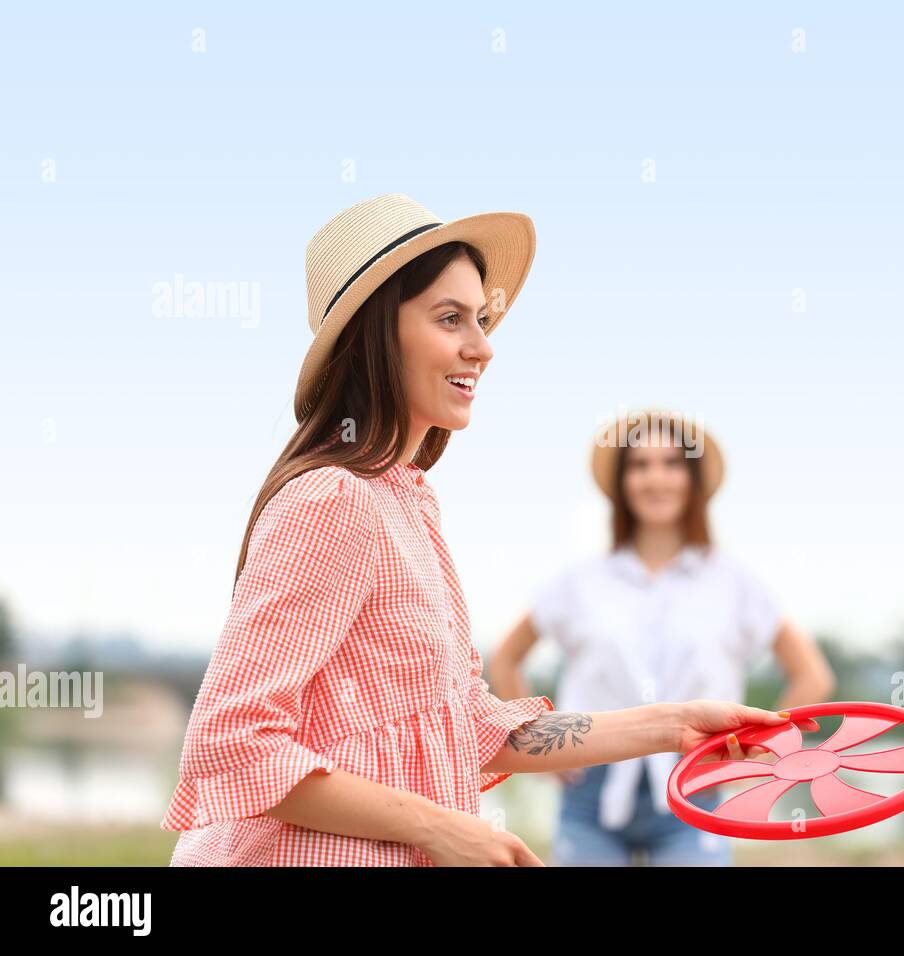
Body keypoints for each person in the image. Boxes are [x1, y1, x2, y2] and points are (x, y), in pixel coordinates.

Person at [159, 194, 796, 866]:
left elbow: (469, 724)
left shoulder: (409, 506)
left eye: (482, 320)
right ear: (378, 332)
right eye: (450, 319)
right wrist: (440, 828)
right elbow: (232, 741)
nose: (483, 347)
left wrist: (676, 724)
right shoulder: (332, 499)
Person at [490, 408, 835, 865]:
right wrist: (544, 755)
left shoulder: (734, 582)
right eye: (640, 465)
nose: (656, 478)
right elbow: (506, 659)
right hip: (591, 781)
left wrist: (752, 757)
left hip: (696, 778)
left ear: (692, 479)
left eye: (673, 463)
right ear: (622, 482)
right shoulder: (580, 581)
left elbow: (812, 675)